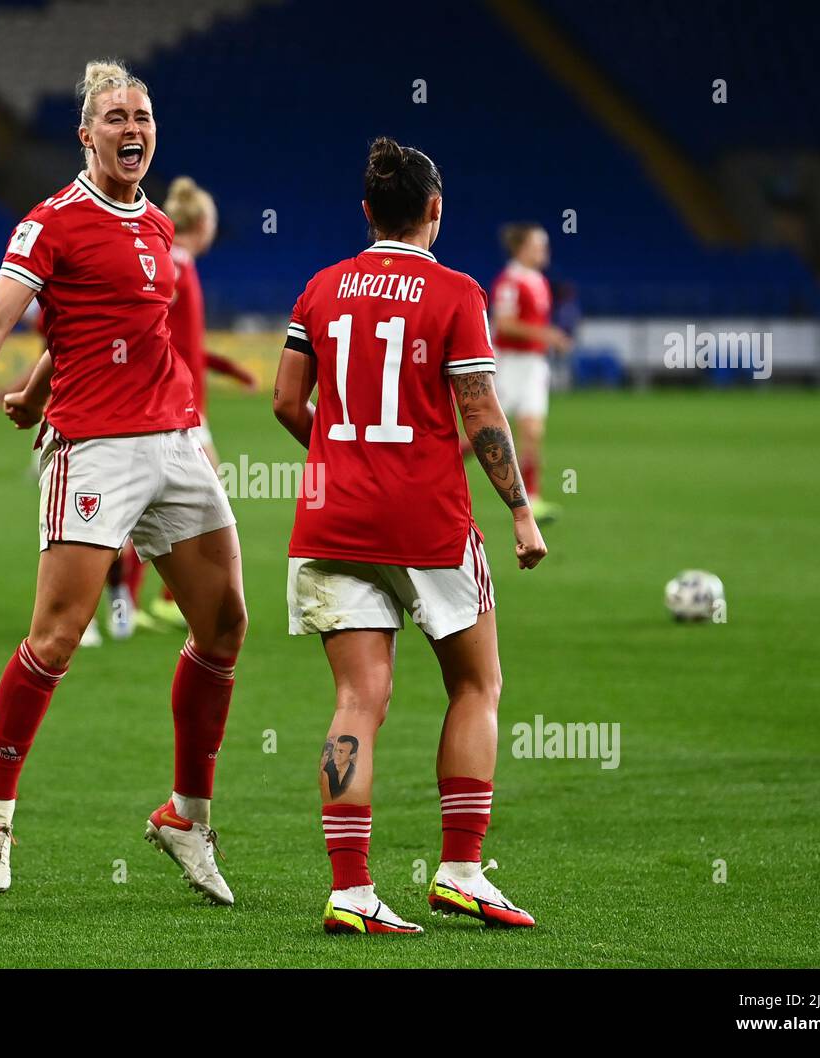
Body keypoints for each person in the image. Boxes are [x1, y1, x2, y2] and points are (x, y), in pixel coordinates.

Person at [0, 59, 246, 906]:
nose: (133, 128)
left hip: (173, 443)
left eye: (143, 114)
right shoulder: (52, 223)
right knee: (58, 636)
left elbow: (95, 332)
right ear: (86, 134)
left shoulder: (154, 232)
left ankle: (186, 816)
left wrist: (35, 391)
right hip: (95, 451)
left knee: (223, 626)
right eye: (116, 118)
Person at [273, 138, 546, 934]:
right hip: (426, 524)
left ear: (365, 213)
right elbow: (482, 414)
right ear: (435, 208)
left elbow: (289, 405)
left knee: (358, 699)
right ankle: (461, 869)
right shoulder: (457, 292)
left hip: (332, 519)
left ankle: (350, 890)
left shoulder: (320, 288)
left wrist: (343, 454)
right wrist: (521, 512)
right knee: (476, 685)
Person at [114, 175, 258, 639]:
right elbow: (149, 332)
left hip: (189, 408)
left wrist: (230, 369)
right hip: (177, 408)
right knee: (198, 504)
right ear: (203, 222)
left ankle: (153, 601)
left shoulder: (182, 264)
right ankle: (146, 600)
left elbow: (186, 346)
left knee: (181, 505)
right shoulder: (173, 268)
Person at [488, 223, 573, 523]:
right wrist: (548, 334)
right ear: (522, 249)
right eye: (539, 245)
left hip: (534, 366)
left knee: (533, 432)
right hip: (510, 364)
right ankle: (436, 475)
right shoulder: (509, 282)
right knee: (485, 435)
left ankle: (531, 499)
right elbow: (505, 324)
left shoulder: (538, 280)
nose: (544, 251)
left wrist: (547, 339)